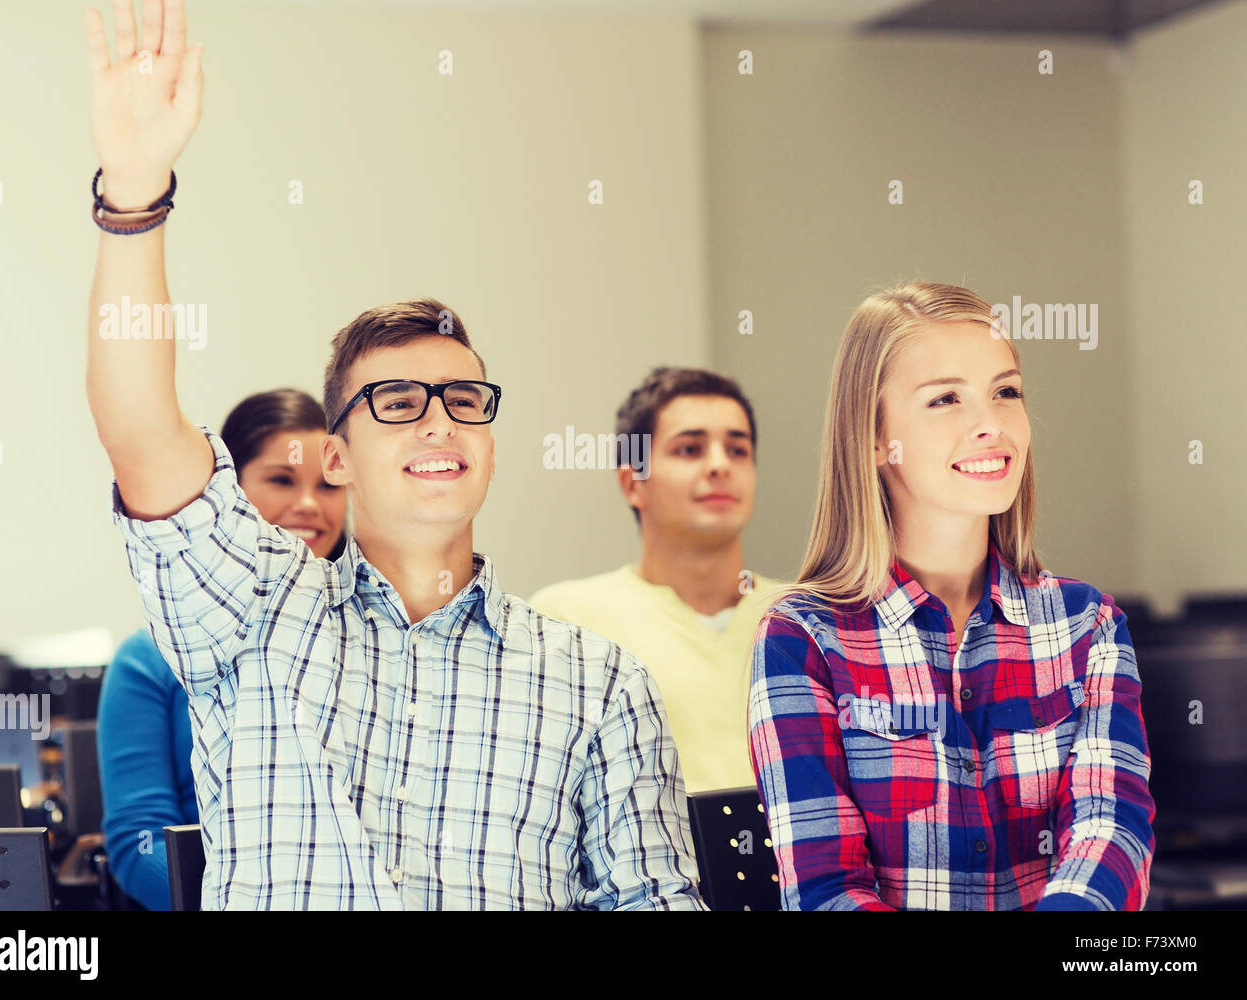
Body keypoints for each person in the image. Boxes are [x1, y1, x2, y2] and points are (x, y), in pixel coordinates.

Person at [83, 0, 701, 909]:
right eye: (398, 403)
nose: (439, 422)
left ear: (488, 445)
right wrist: (133, 197)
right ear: (337, 456)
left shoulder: (597, 680)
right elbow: (140, 431)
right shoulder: (257, 613)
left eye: (464, 401)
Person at [748, 281, 1155, 910]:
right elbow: (827, 890)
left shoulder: (1088, 625)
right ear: (876, 438)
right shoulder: (801, 640)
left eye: (1006, 392)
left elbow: (1111, 832)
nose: (990, 424)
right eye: (945, 399)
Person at [98, 389, 347, 910]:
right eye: (282, 479)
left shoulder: (377, 635)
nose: (308, 504)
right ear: (230, 491)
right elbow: (137, 842)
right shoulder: (148, 661)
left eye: (328, 486)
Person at [530, 368, 784, 794]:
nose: (720, 465)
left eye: (738, 450)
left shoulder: (807, 616)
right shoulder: (564, 622)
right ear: (633, 483)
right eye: (689, 449)